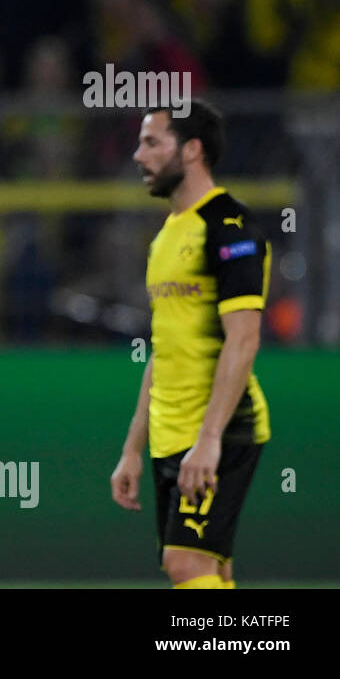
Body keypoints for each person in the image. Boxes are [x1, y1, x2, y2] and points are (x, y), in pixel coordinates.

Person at [110, 99, 270, 589]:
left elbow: (243, 340)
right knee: (208, 567)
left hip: (221, 428)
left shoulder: (228, 227)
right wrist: (134, 447)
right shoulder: (165, 239)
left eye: (152, 142)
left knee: (187, 566)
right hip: (172, 432)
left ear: (193, 149)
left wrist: (210, 439)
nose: (139, 155)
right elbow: (165, 348)